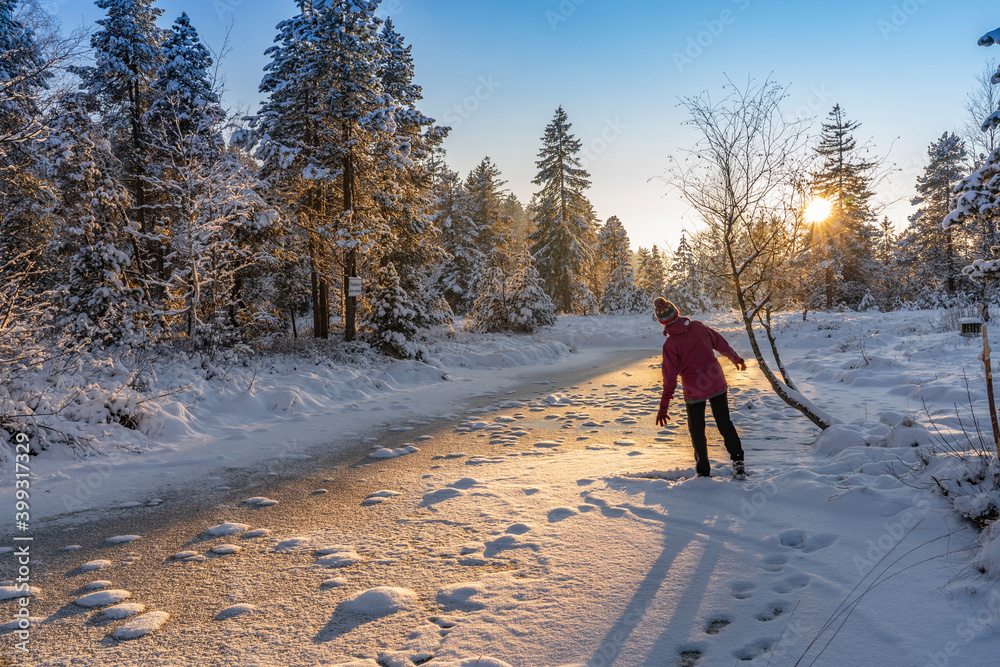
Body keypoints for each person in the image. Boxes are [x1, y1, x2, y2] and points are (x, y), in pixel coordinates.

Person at [653, 298, 747, 479]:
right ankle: (738, 462)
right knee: (724, 423)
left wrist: (664, 407)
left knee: (697, 429)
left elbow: (670, 379)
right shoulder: (698, 326)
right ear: (677, 312)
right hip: (716, 381)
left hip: (694, 390)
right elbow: (721, 345)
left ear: (662, 321)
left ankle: (703, 472)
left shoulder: (670, 345)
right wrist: (736, 359)